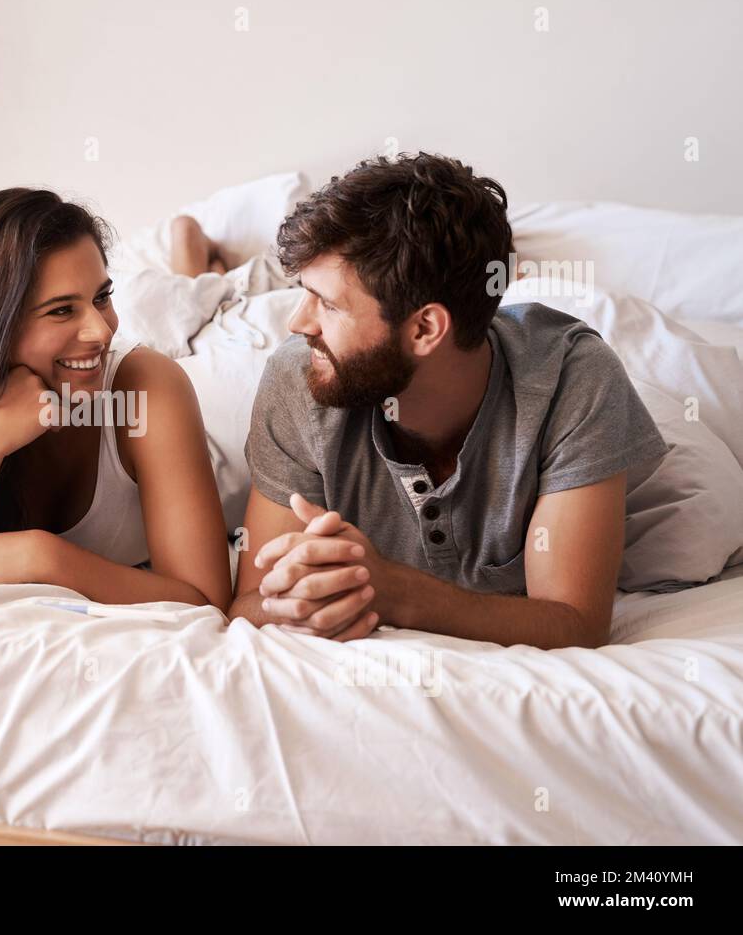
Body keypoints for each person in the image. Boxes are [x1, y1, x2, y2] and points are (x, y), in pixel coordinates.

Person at [229, 152, 669, 649]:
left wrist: (390, 590)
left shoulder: (573, 380)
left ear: (425, 328)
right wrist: (301, 601)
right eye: (304, 294)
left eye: (327, 303)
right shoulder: (299, 379)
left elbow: (575, 623)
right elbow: (246, 605)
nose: (299, 323)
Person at [0, 188, 233, 610]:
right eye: (61, 310)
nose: (102, 331)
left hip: (213, 448)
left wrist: (42, 556)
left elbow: (206, 601)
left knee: (194, 321)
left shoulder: (149, 390)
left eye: (102, 296)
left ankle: (189, 251)